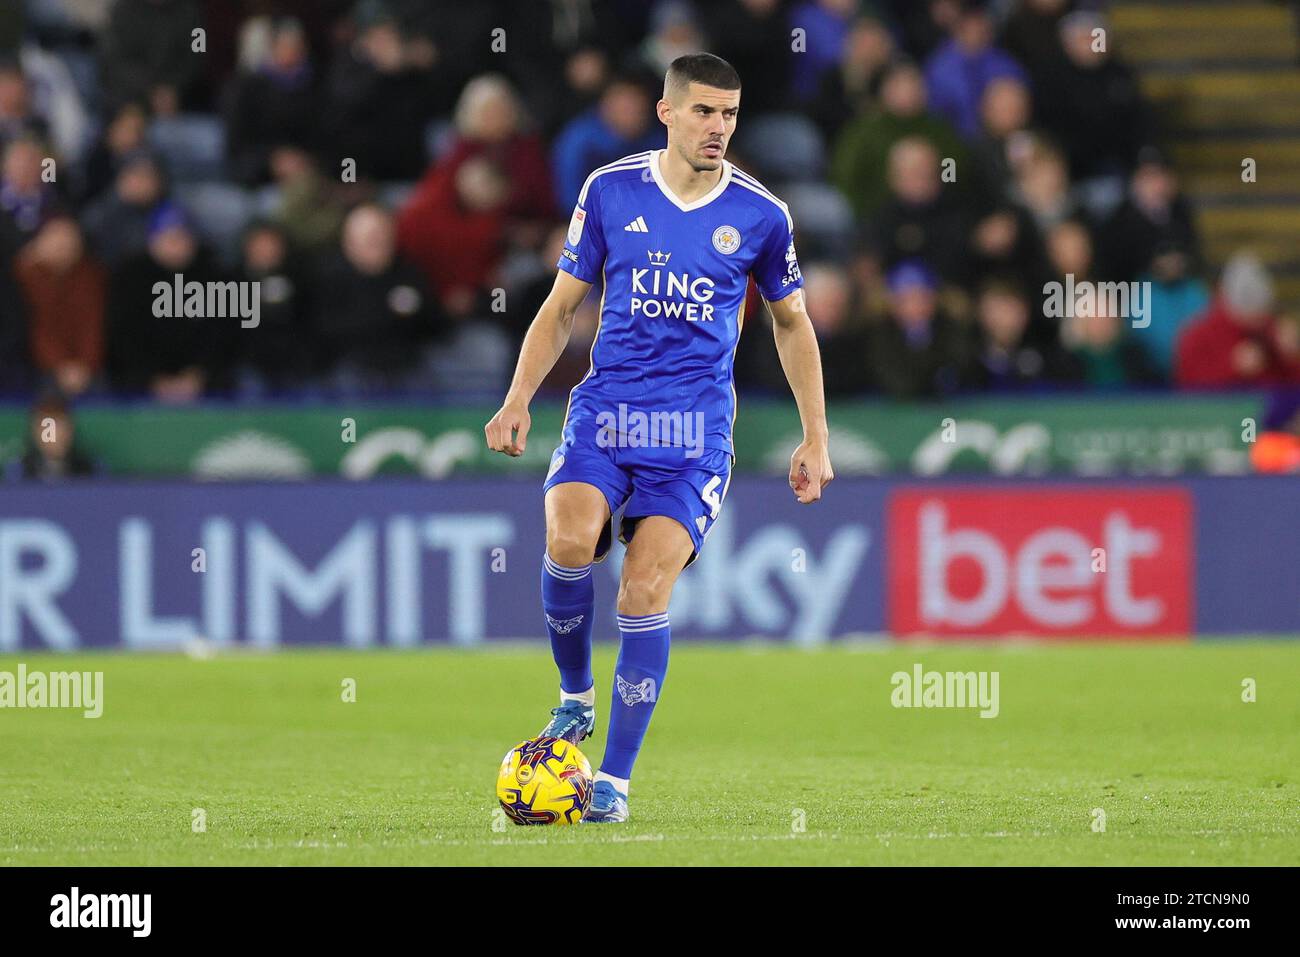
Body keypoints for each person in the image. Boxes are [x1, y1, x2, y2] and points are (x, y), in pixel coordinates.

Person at [483, 53, 833, 823]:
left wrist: (815, 436)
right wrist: (517, 399)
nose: (719, 127)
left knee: (644, 588)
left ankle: (611, 782)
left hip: (693, 432)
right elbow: (560, 306)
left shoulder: (762, 215)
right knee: (570, 538)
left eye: (731, 114)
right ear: (667, 112)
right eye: (704, 111)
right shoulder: (609, 190)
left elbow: (792, 323)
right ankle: (575, 696)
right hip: (607, 411)